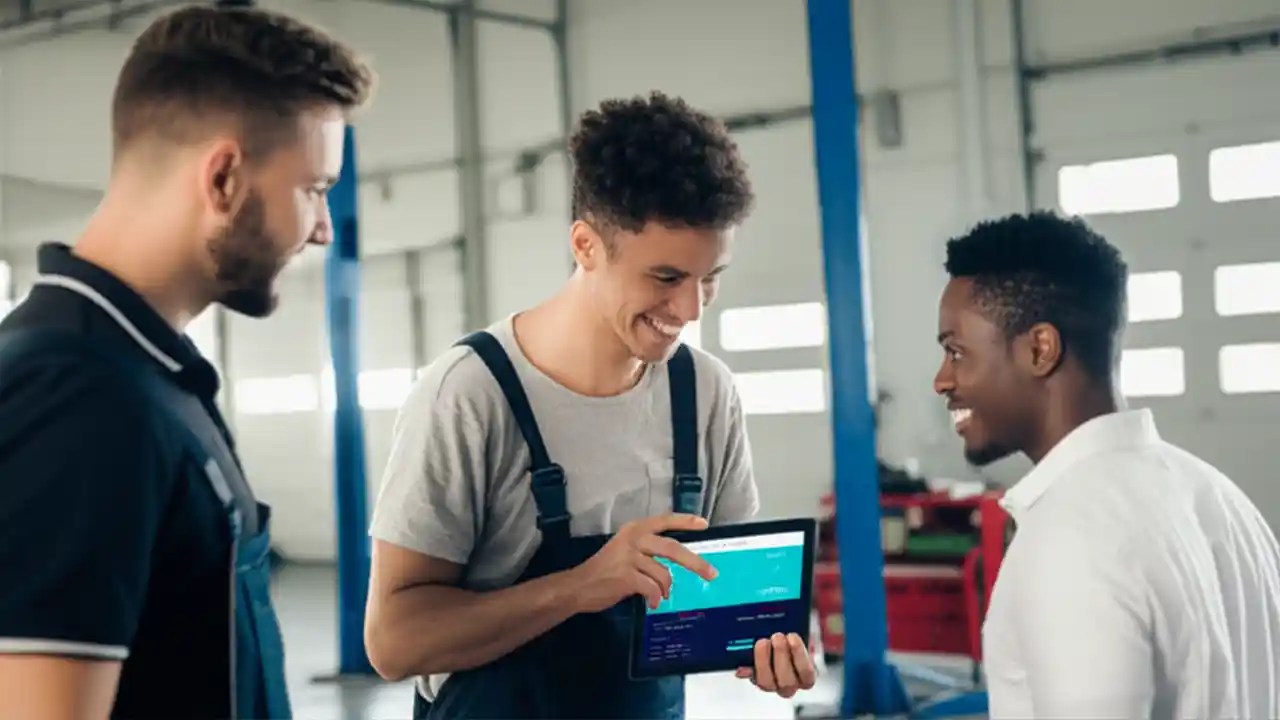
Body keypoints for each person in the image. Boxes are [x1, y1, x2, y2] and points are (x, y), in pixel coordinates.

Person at [364, 91, 817, 719]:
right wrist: (582, 586)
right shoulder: (469, 395)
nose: (690, 310)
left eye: (710, 277)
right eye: (665, 278)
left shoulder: (705, 394)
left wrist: (776, 643)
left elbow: (732, 604)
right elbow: (392, 642)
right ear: (585, 245)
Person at [0, 6, 374, 718]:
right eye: (315, 190)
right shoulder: (75, 392)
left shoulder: (147, 376)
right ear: (225, 178)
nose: (323, 230)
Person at [933, 211, 1280, 719]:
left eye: (955, 351)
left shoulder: (1070, 535)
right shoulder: (1225, 501)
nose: (942, 379)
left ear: (1040, 349)